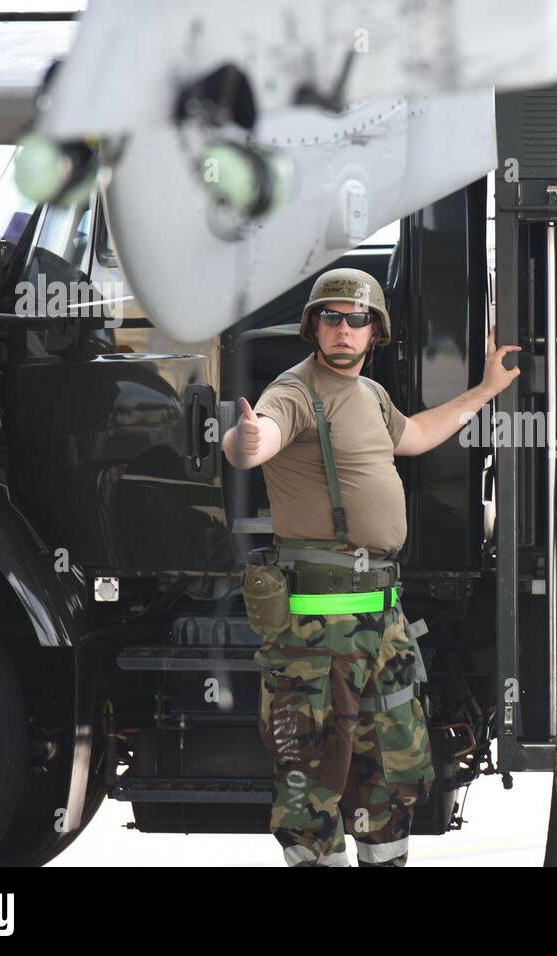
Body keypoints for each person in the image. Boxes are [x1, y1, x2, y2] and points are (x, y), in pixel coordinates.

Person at [223, 267, 520, 866]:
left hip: (380, 628)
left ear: (374, 331)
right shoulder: (294, 391)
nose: (343, 329)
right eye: (330, 317)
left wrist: (486, 391)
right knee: (312, 789)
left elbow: (413, 435)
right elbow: (258, 439)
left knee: (388, 780)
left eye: (356, 319)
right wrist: (247, 441)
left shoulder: (372, 396)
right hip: (319, 636)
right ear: (314, 326)